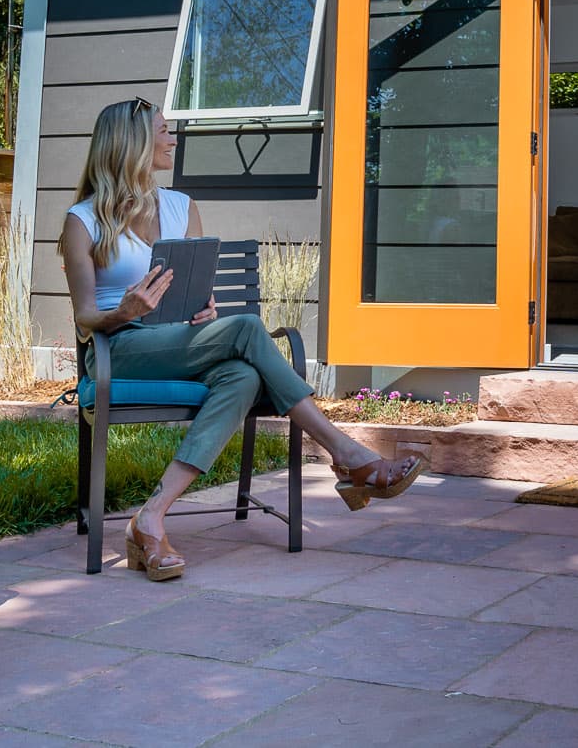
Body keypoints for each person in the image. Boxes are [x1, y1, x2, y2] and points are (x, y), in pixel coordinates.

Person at [60, 97, 424, 581]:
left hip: (181, 341)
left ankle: (150, 517)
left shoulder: (181, 207)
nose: (173, 138)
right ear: (134, 144)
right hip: (121, 348)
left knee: (243, 376)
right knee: (248, 326)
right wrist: (123, 311)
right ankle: (346, 455)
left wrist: (204, 308)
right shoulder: (83, 220)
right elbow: (85, 315)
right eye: (164, 130)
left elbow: (196, 292)